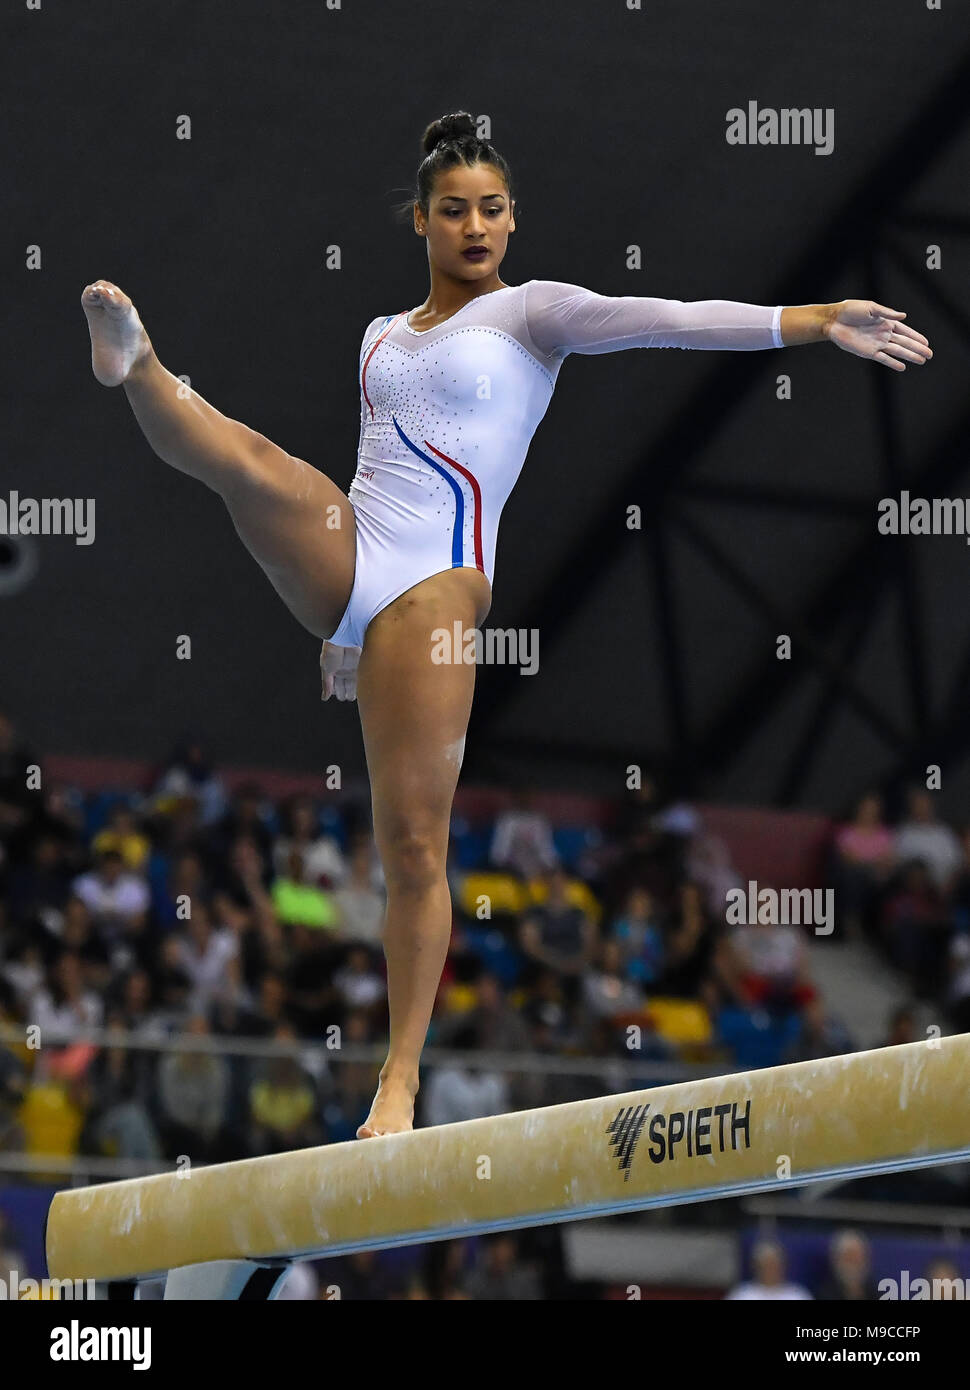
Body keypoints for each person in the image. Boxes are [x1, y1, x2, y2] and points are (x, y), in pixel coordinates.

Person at [80, 111, 932, 1137]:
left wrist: (811, 317)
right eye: (453, 211)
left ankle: (399, 1079)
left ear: (511, 220)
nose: (474, 225)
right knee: (249, 465)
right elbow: (377, 462)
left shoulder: (536, 314)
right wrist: (340, 631)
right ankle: (138, 366)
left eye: (490, 208)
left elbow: (671, 316)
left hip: (437, 585)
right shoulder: (379, 337)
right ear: (422, 224)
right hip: (357, 546)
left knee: (412, 843)